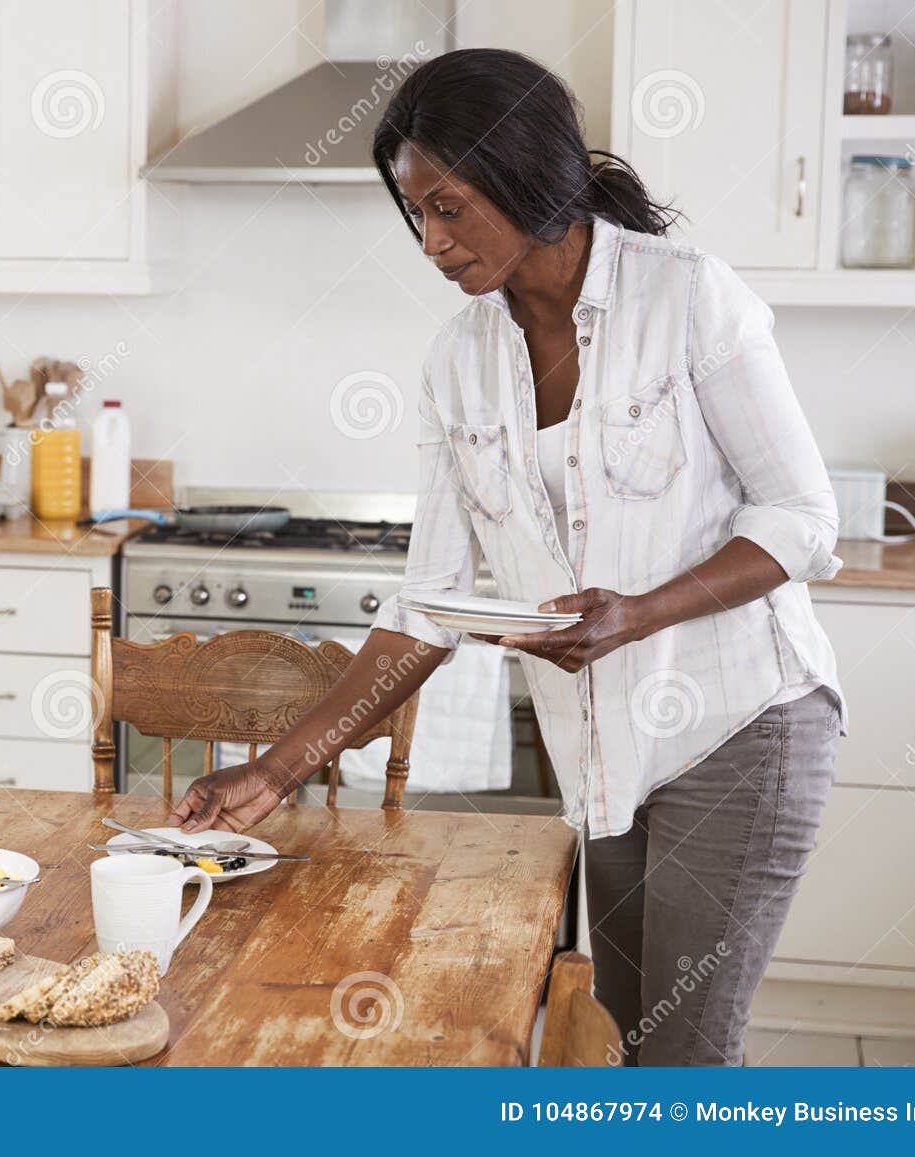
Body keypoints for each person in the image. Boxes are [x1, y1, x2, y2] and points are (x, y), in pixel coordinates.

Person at [168, 48, 844, 1067]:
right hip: (604, 756)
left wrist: (641, 610)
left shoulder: (687, 300)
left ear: (529, 176)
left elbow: (803, 517)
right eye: (416, 214)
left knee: (687, 1059)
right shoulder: (459, 361)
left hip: (739, 722)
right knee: (627, 1032)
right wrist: (277, 769)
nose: (432, 243)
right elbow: (427, 606)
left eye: (449, 208)